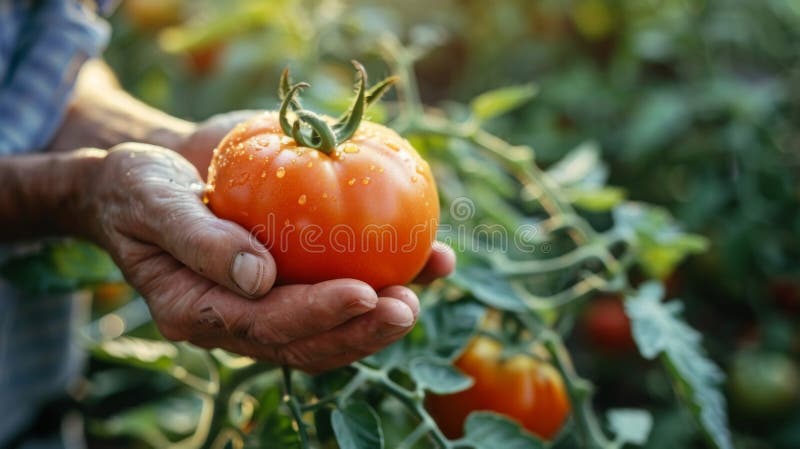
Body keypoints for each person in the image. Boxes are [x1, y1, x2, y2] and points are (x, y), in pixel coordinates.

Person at [0, 1, 456, 448]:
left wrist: (158, 143)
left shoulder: (279, 154)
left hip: (41, 397)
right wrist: (72, 194)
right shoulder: (275, 156)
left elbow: (44, 61)